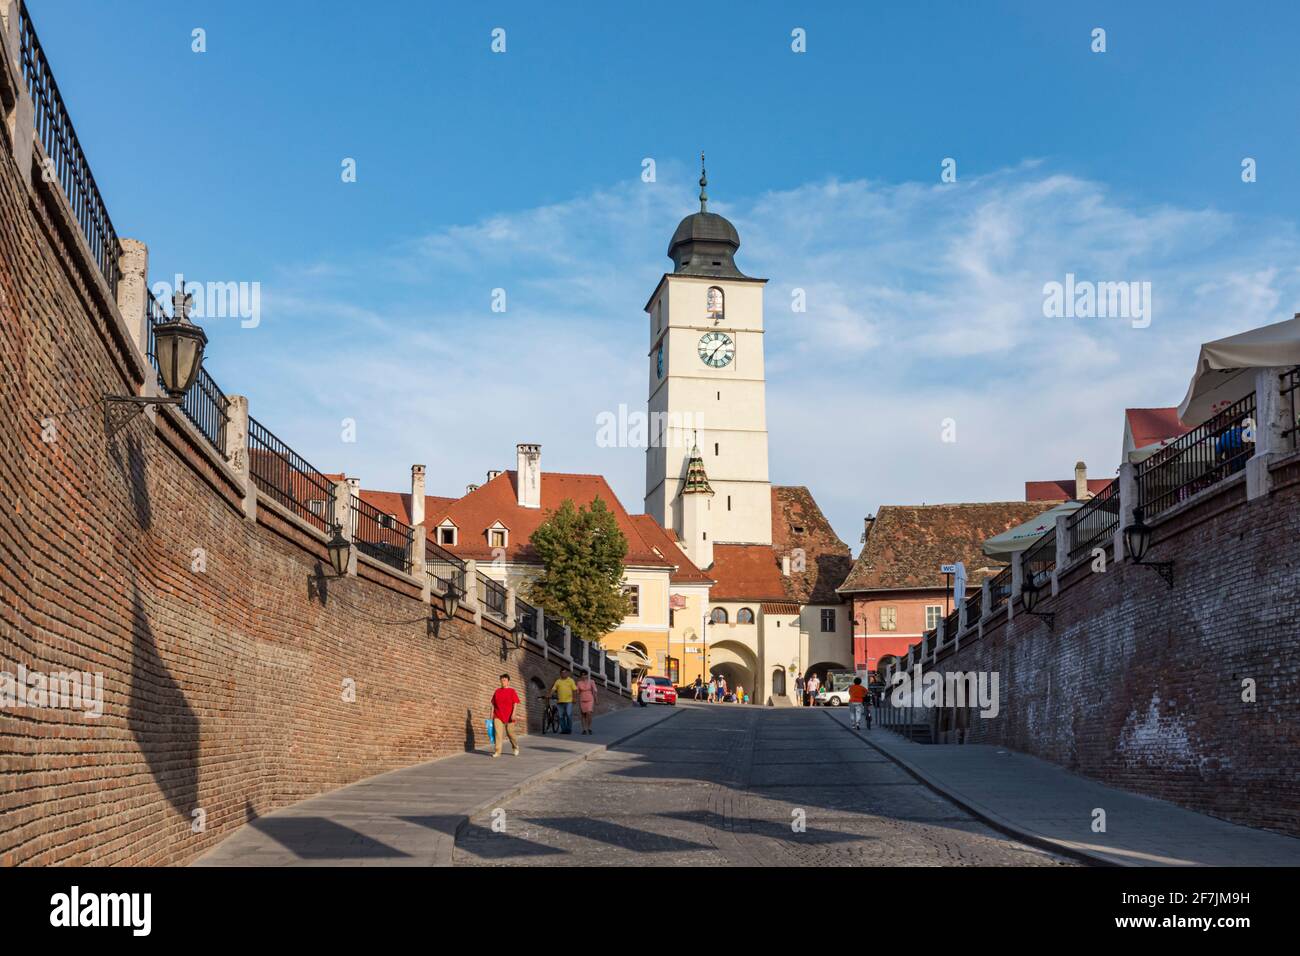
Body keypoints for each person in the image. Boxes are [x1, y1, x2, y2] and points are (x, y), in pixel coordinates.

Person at [490, 673, 521, 757]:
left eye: (504, 680)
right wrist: (491, 715)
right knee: (498, 733)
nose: (503, 682)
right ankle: (497, 751)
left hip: (509, 715)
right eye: (502, 680)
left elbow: (515, 703)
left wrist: (514, 713)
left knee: (510, 733)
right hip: (498, 715)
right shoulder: (497, 691)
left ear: (508, 682)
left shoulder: (512, 691)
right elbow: (493, 704)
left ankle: (515, 747)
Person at [551, 668, 577, 734]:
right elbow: (554, 688)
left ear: (567, 673)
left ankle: (569, 729)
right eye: (562, 673)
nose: (563, 674)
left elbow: (574, 690)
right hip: (560, 701)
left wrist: (574, 698)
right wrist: (549, 694)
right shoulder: (558, 681)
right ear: (560, 674)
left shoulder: (571, 680)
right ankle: (564, 729)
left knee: (568, 715)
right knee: (561, 716)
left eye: (565, 672)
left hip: (569, 701)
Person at [575, 668, 598, 735]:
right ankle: (584, 729)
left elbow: (595, 690)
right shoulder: (579, 683)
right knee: (583, 714)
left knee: (589, 713)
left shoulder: (591, 681)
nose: (583, 676)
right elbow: (577, 692)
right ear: (580, 676)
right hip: (582, 699)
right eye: (582, 675)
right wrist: (575, 698)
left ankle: (589, 727)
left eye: (585, 675)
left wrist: (596, 699)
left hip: (590, 699)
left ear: (587, 675)